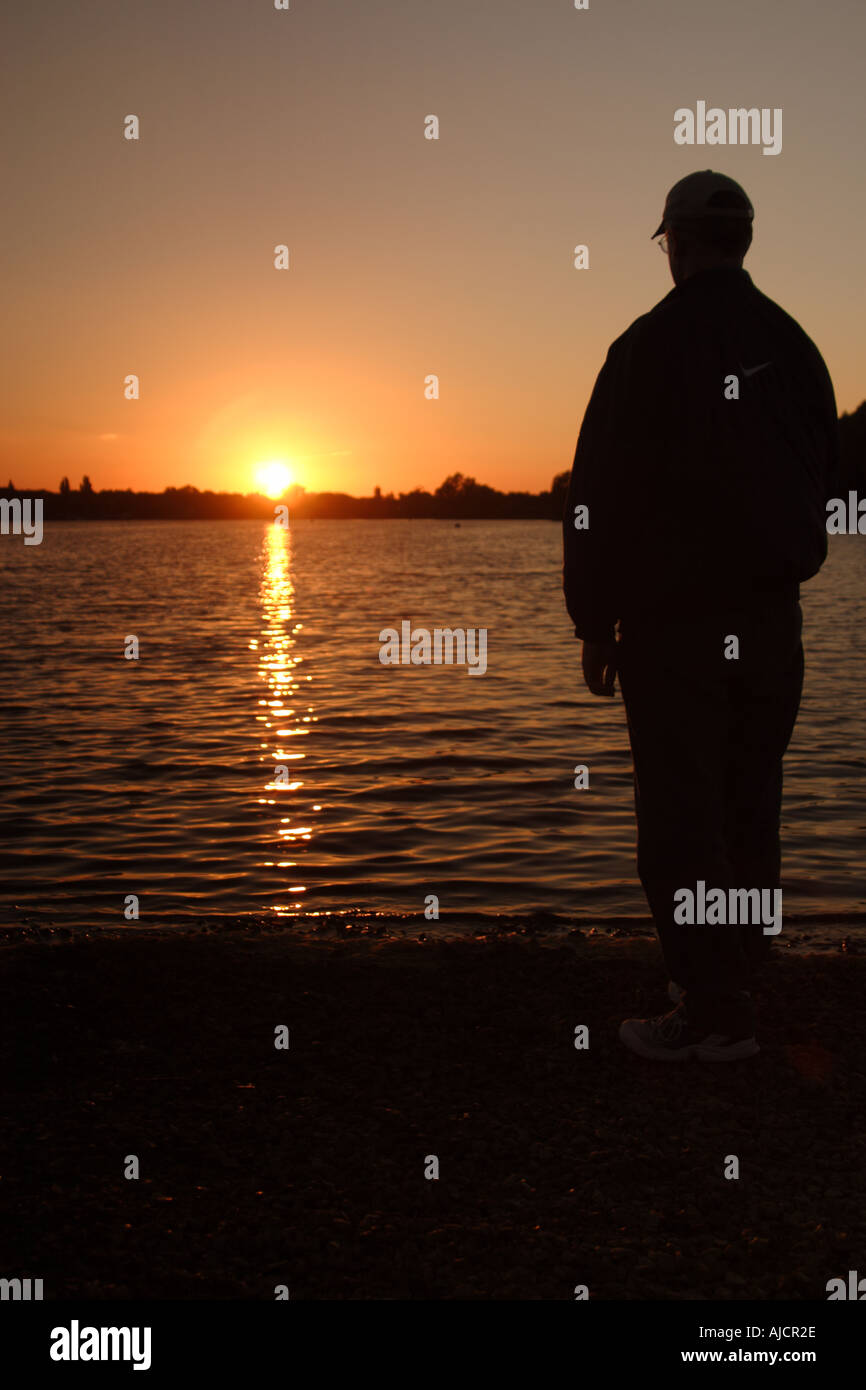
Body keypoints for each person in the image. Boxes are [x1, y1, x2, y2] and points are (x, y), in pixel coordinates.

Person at [562, 170, 841, 1061]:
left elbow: (595, 496)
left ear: (676, 243)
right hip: (771, 622)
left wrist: (592, 621)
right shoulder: (797, 347)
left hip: (674, 628)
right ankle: (737, 980)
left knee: (682, 817)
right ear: (745, 240)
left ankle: (713, 1012)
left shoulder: (645, 347)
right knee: (749, 805)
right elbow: (821, 478)